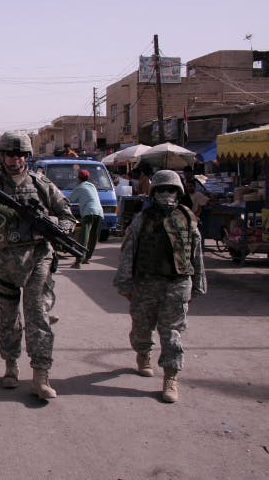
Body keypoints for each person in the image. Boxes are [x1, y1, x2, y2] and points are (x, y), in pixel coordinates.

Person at [0, 131, 76, 400]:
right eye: (9, 154)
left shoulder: (40, 183)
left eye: (19, 154)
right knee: (8, 318)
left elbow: (67, 215)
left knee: (38, 316)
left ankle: (41, 376)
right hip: (3, 260)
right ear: (1, 156)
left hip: (37, 258)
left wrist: (56, 227)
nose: (14, 159)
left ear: (26, 156)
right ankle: (11, 365)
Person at [113, 170, 206, 403]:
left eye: (171, 190)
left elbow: (196, 254)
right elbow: (129, 251)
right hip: (145, 284)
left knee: (172, 333)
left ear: (179, 192)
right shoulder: (142, 219)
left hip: (176, 284)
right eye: (162, 190)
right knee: (141, 329)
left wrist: (197, 285)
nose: (167, 195)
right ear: (154, 193)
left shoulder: (187, 218)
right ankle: (143, 353)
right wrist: (125, 282)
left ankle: (170, 377)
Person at [68, 169, 104, 268]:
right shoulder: (92, 186)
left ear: (79, 178)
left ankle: (78, 260)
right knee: (94, 237)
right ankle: (87, 258)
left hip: (88, 212)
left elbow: (68, 200)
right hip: (100, 212)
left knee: (85, 236)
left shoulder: (79, 187)